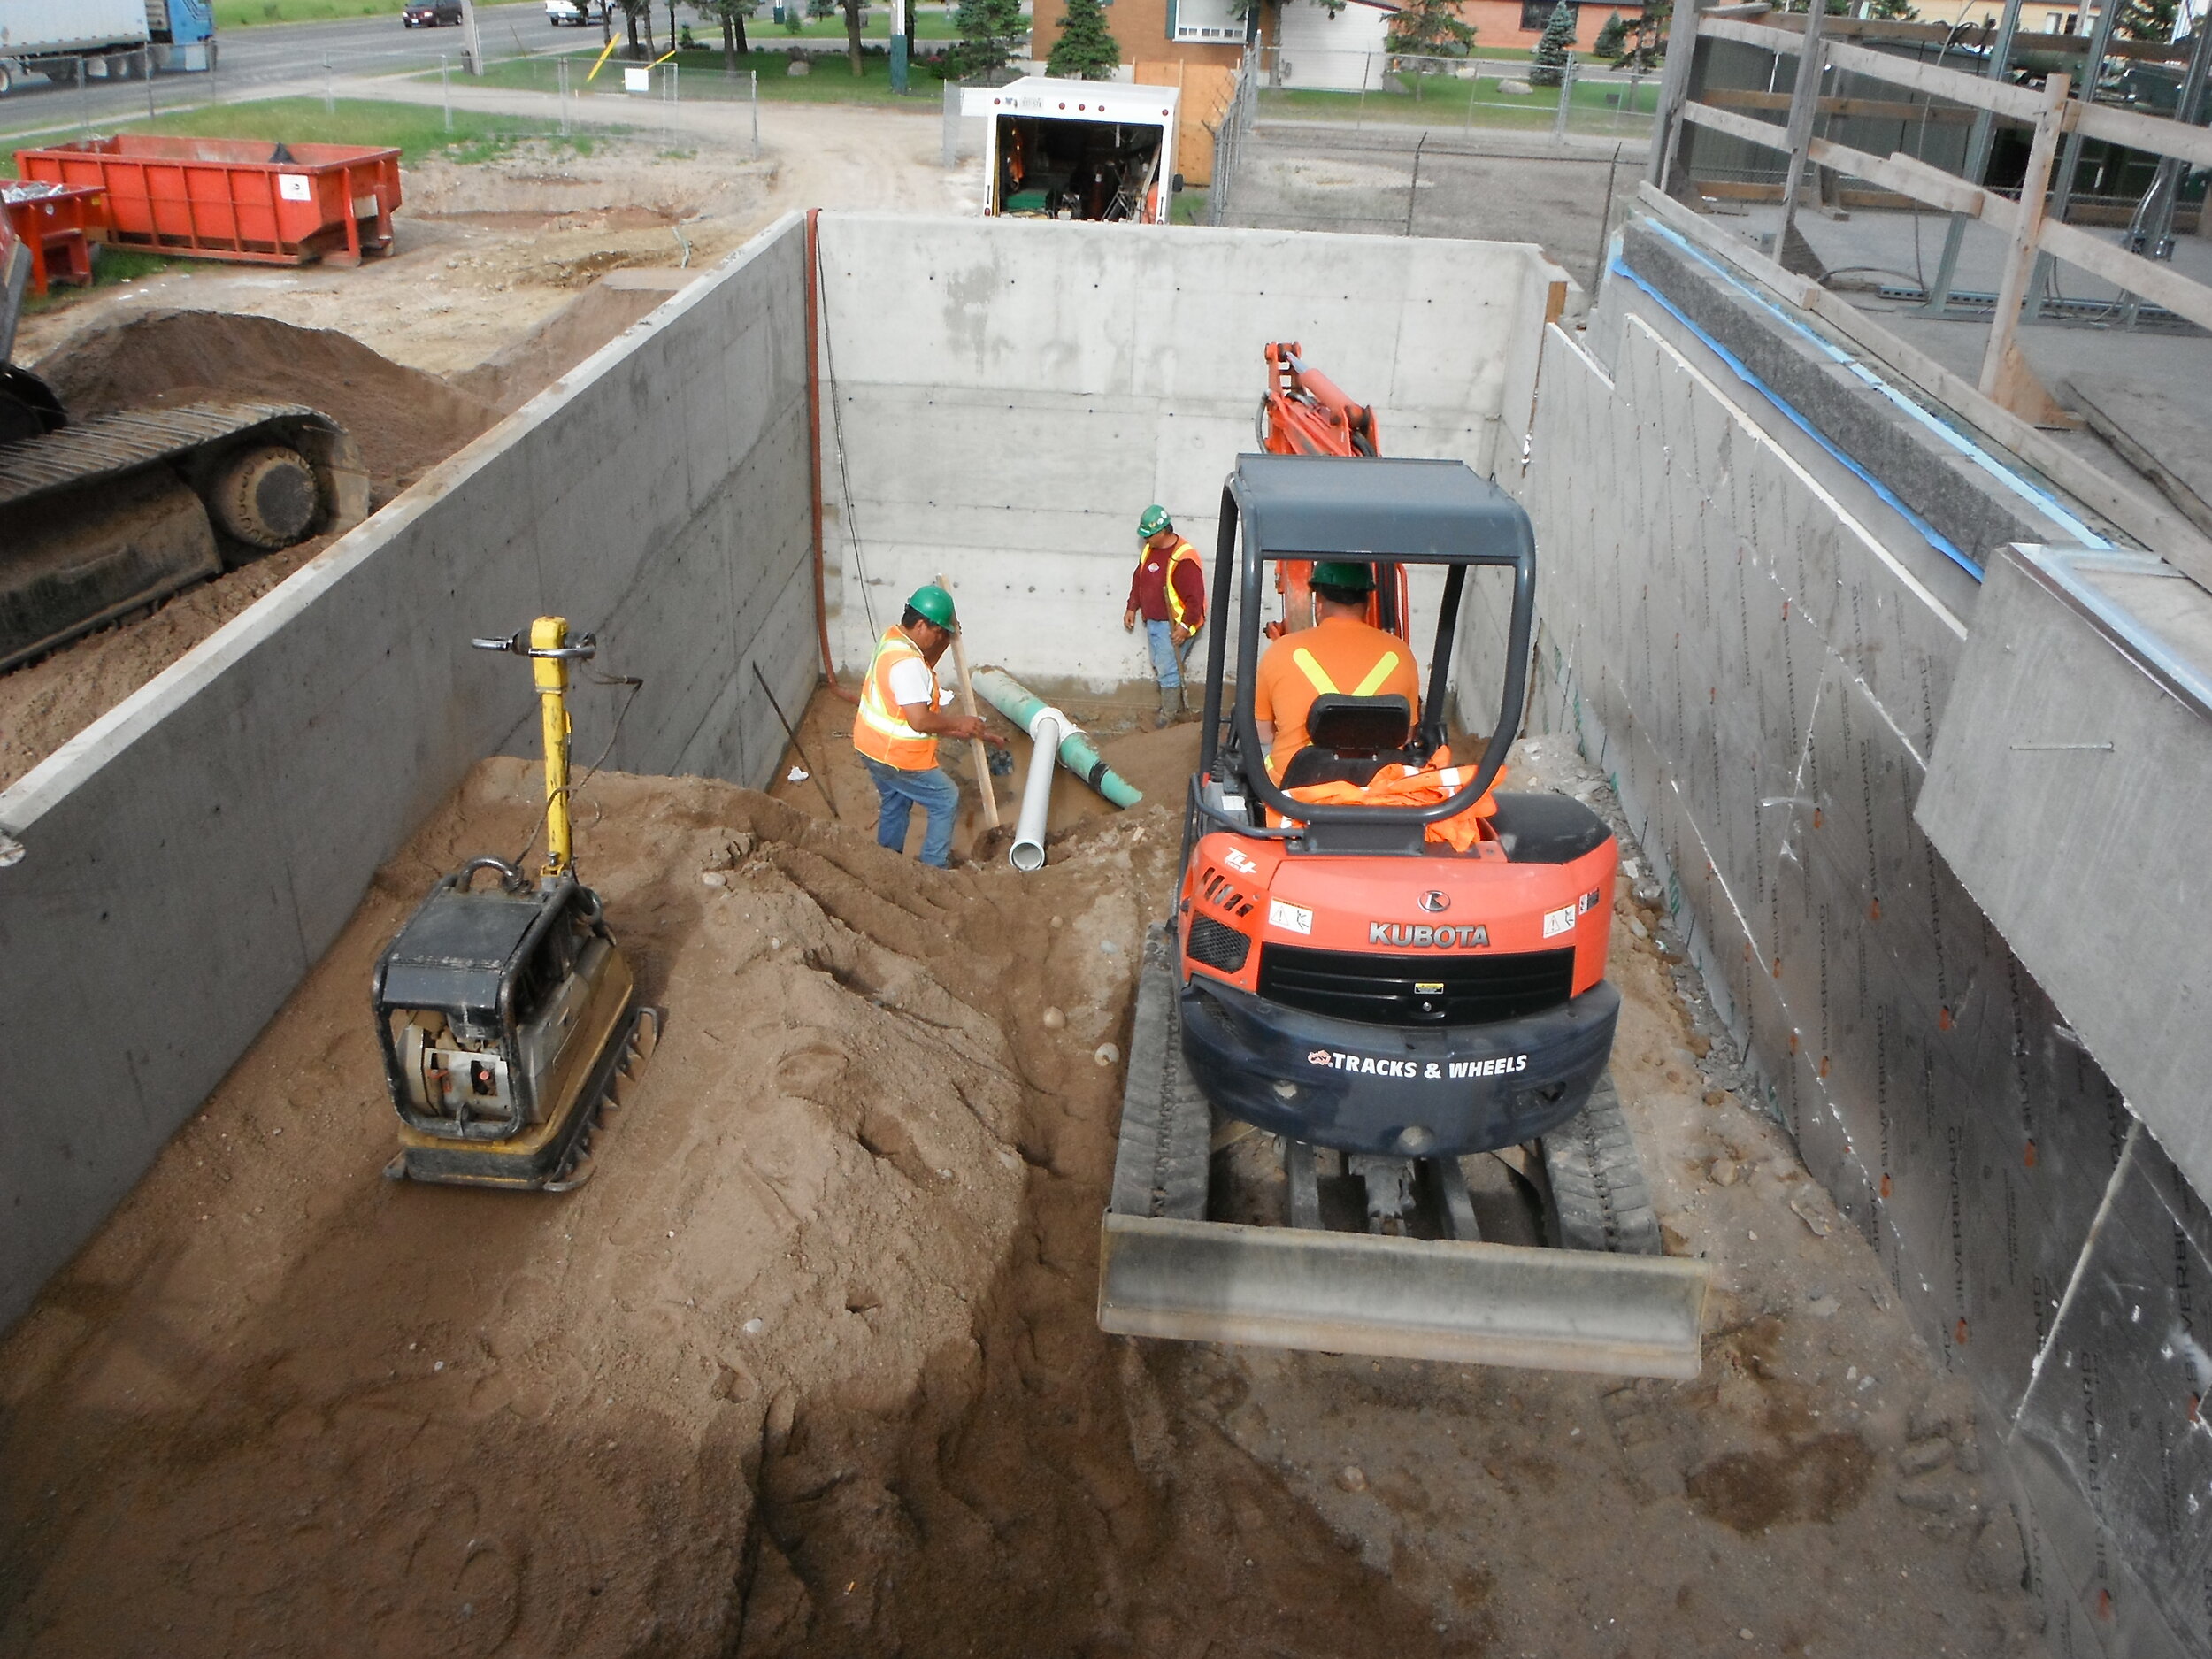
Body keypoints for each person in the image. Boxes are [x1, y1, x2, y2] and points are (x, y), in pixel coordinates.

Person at [852, 585, 1002, 868]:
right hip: (895, 755)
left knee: (896, 802)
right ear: (922, 624)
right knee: (946, 798)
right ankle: (934, 867)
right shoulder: (907, 665)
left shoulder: (894, 638)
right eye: (938, 632)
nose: (939, 638)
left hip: (869, 745)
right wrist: (959, 722)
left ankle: (887, 861)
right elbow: (919, 720)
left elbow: (925, 664)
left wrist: (946, 640)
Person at [1252, 560, 1421, 778]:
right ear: (1367, 602)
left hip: (1296, 794)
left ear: (1319, 603)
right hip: (1377, 793)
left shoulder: (1281, 651)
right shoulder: (1401, 654)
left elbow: (1263, 734)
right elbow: (1405, 735)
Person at [1121, 504, 1207, 727]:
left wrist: (1185, 626)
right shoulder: (1150, 550)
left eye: (1149, 535)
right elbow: (1139, 578)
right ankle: (1172, 708)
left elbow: (1195, 599)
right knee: (1161, 664)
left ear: (1163, 532)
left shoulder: (1183, 558)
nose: (1146, 540)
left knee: (1168, 668)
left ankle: (1168, 716)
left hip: (1175, 625)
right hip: (1155, 621)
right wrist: (1132, 606)